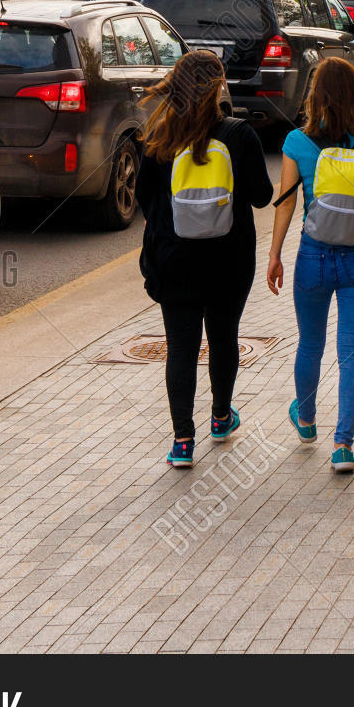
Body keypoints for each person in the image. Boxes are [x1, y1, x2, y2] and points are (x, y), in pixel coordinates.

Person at [138, 51, 273, 468]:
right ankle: (220, 417)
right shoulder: (239, 135)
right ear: (219, 88)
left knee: (180, 346)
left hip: (174, 261)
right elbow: (262, 196)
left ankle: (182, 441)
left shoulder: (159, 137)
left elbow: (146, 201)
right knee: (222, 338)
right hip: (228, 261)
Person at [267, 57, 354, 475]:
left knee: (310, 344)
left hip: (313, 258)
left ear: (315, 96)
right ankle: (343, 446)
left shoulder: (296, 143)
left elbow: (285, 208)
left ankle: (306, 421)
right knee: (351, 353)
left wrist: (274, 255)